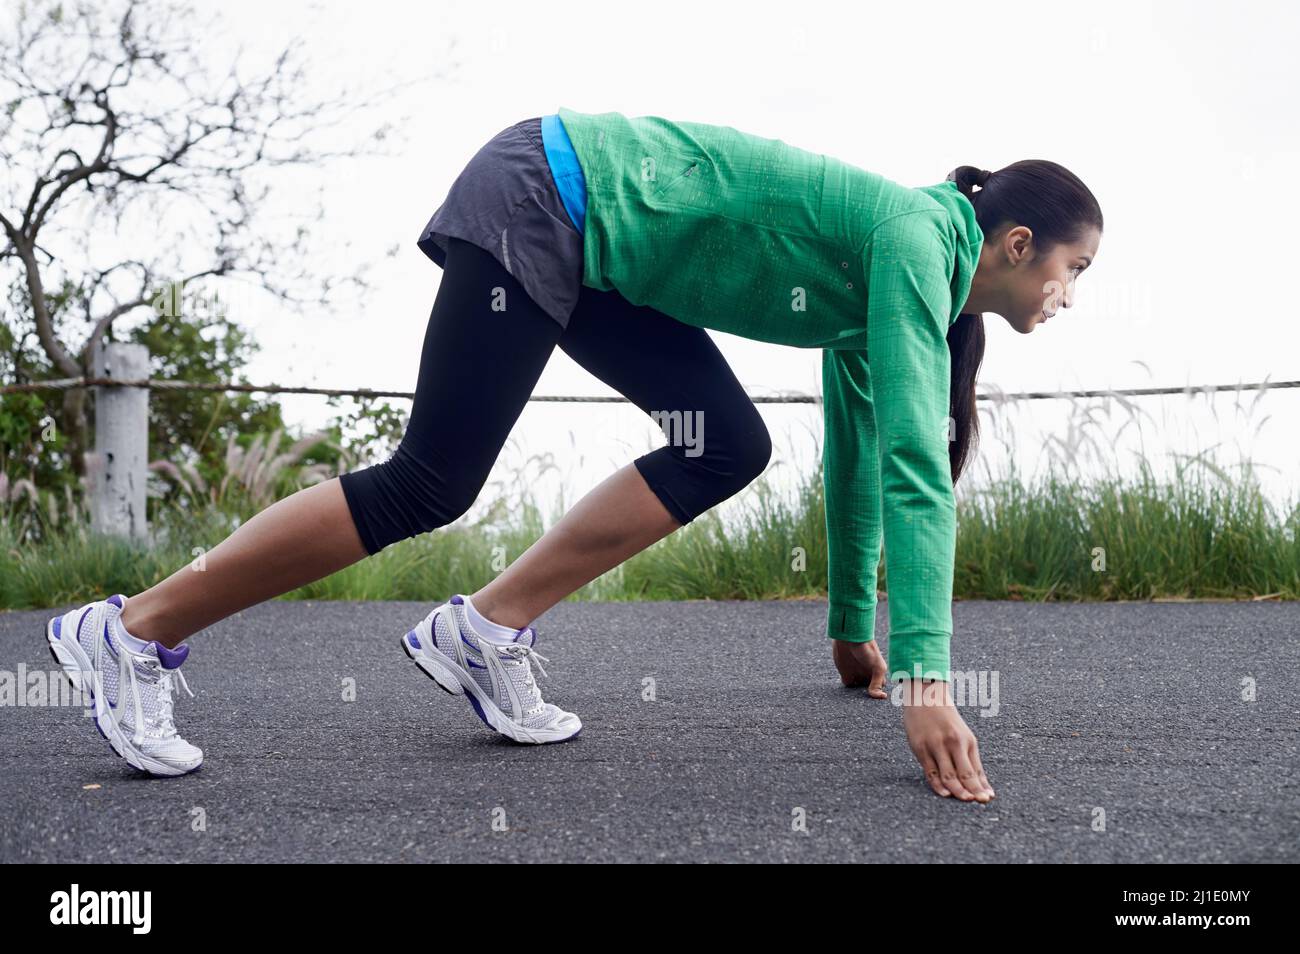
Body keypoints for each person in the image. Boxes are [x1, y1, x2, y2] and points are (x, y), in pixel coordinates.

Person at [46, 109, 1102, 802]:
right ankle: (130, 633)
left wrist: (850, 638)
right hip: (547, 196)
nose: (1068, 294)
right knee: (430, 480)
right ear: (1018, 246)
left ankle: (482, 629)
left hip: (605, 258)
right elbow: (921, 471)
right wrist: (926, 676)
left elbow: (872, 451)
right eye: (1072, 269)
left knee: (725, 443)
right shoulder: (917, 242)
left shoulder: (910, 278)